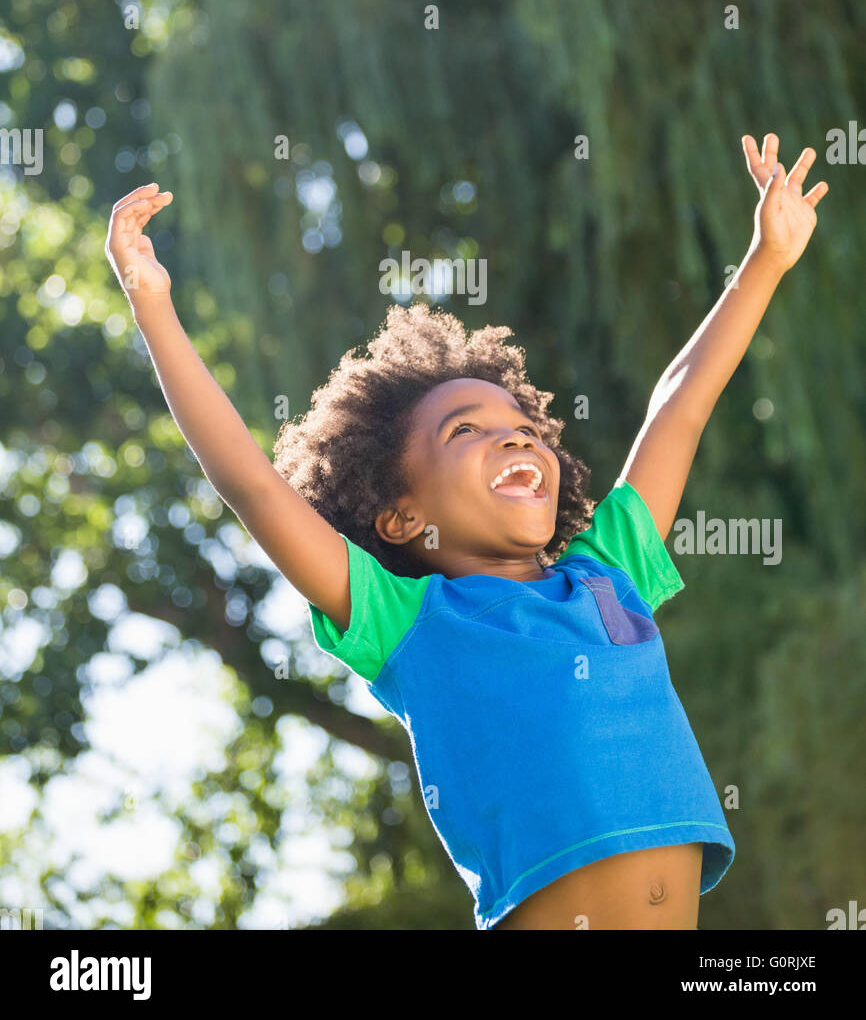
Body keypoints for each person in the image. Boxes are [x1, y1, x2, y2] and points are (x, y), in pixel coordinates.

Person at [105, 132, 827, 930]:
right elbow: (251, 483)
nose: (515, 437)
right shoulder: (407, 623)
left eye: (523, 425)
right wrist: (154, 306)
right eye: (465, 431)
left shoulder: (608, 573)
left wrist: (765, 258)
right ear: (403, 515)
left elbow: (679, 407)